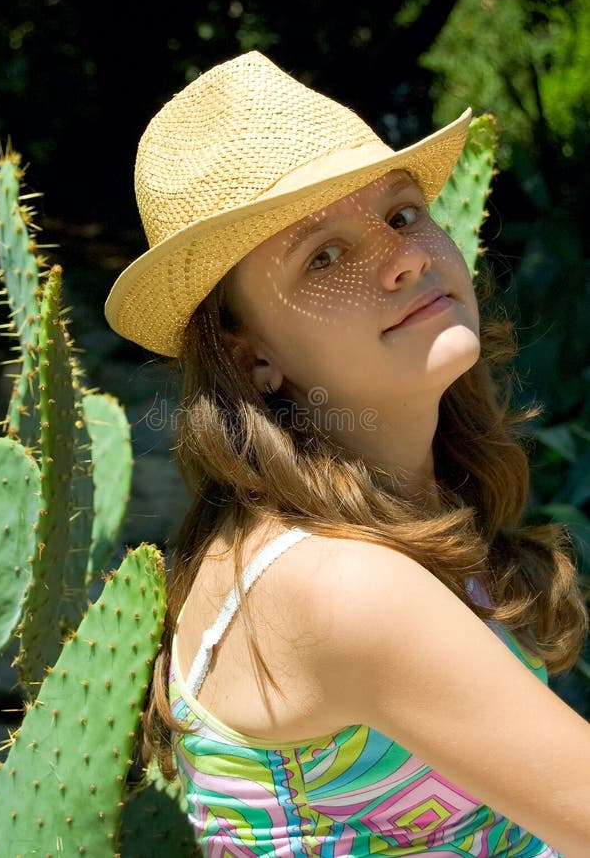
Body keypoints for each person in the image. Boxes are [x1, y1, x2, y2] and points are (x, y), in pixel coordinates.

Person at [105, 51, 590, 856]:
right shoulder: (341, 587)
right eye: (323, 257)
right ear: (252, 357)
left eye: (401, 215)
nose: (407, 257)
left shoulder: (357, 526)